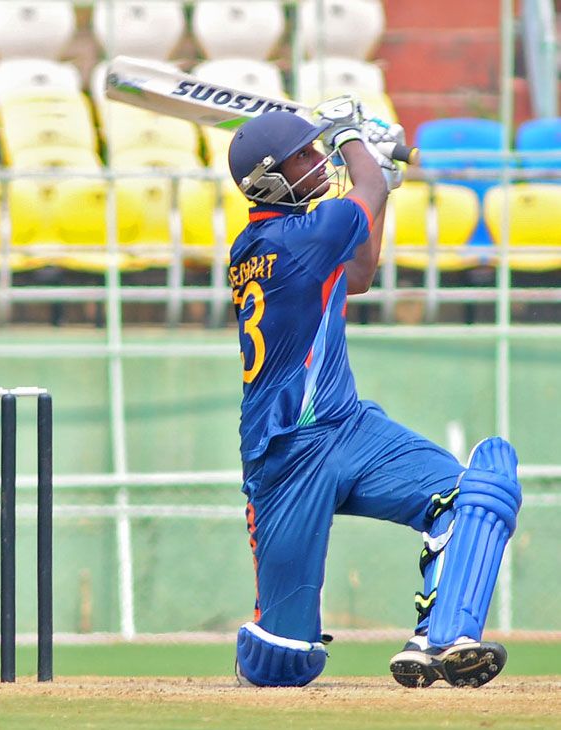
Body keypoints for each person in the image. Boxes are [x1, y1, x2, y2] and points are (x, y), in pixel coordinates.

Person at [226, 99, 522, 689]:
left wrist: (380, 177)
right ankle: (276, 640)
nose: (317, 161)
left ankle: (441, 636)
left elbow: (358, 274)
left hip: (349, 427)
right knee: (284, 659)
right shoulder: (300, 237)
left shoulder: (285, 239)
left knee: (478, 492)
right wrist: (352, 137)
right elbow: (356, 187)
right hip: (287, 453)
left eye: (317, 149)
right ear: (267, 180)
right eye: (302, 155)